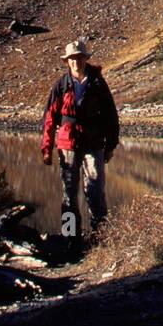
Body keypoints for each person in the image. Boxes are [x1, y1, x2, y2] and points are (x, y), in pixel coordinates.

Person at [41, 39, 120, 240]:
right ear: (67, 61)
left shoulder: (97, 83)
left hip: (94, 143)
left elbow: (111, 115)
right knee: (69, 193)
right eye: (72, 59)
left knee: (95, 190)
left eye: (79, 58)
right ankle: (70, 237)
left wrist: (110, 145)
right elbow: (49, 118)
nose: (76, 62)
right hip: (67, 145)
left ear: (85, 59)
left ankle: (100, 236)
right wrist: (47, 148)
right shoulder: (61, 85)